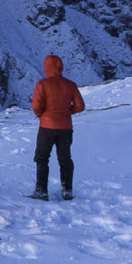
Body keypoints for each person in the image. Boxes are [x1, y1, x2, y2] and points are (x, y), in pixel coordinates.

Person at [30, 54, 85, 201]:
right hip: (66, 127)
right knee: (65, 159)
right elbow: (80, 106)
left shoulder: (43, 84)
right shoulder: (71, 85)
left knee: (42, 158)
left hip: (46, 126)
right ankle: (67, 189)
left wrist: (41, 114)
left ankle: (41, 190)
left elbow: (36, 105)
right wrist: (67, 112)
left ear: (46, 67)